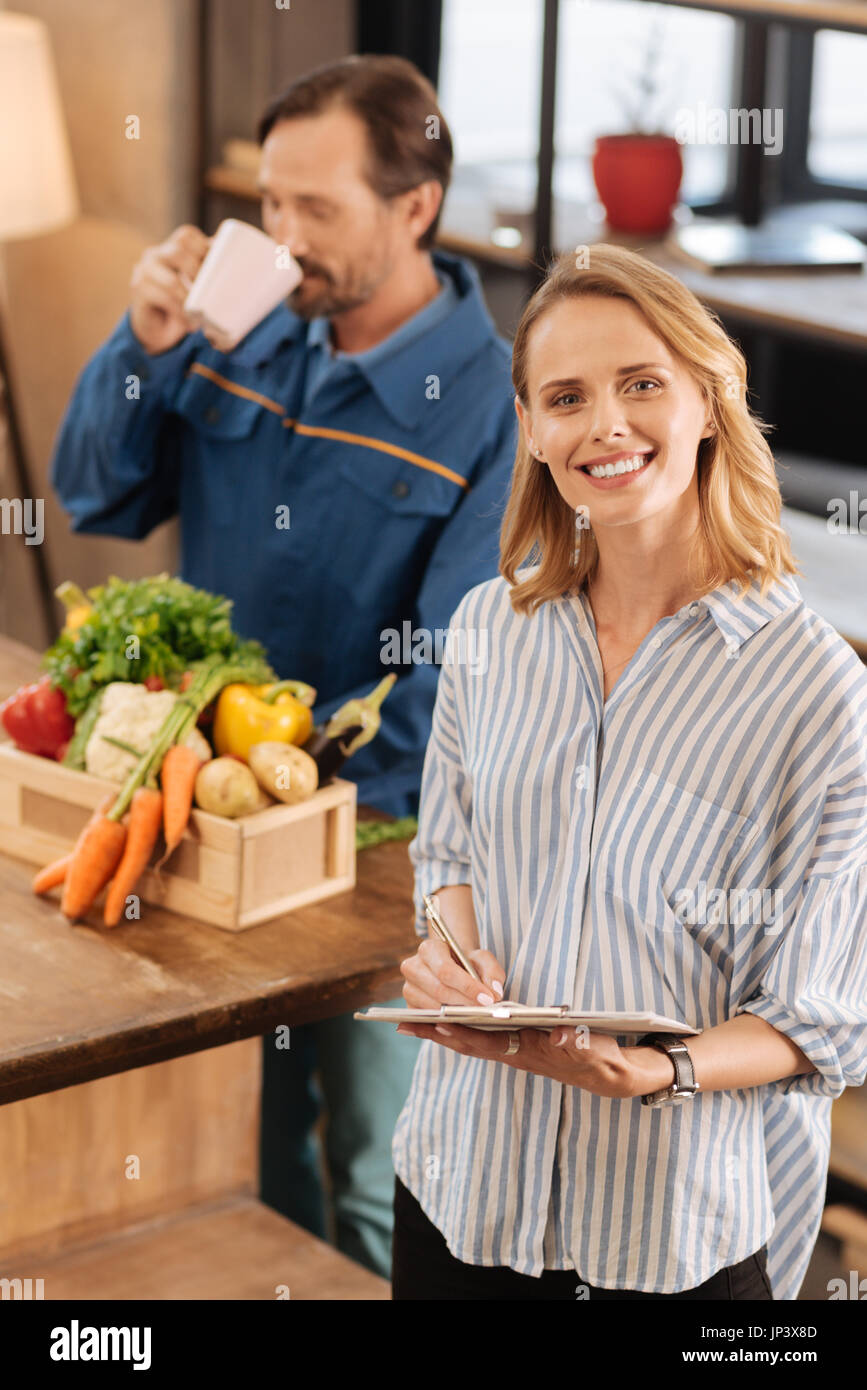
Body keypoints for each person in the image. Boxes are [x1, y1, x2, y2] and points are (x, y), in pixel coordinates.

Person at [49, 55, 517, 1279]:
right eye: (271, 206)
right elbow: (97, 489)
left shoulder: (493, 404)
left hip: (379, 858)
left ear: (415, 207)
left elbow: (454, 681)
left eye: (319, 209)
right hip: (213, 827)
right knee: (243, 1159)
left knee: (375, 1174)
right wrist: (142, 340)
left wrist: (289, 802)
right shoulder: (240, 327)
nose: (283, 236)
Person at [391, 243, 867, 1301]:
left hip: (671, 1236)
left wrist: (658, 1071)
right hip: (461, 1191)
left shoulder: (815, 691)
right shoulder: (489, 628)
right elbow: (450, 853)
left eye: (641, 384)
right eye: (566, 397)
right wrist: (451, 962)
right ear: (531, 431)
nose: (605, 425)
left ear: (709, 397)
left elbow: (824, 1015)